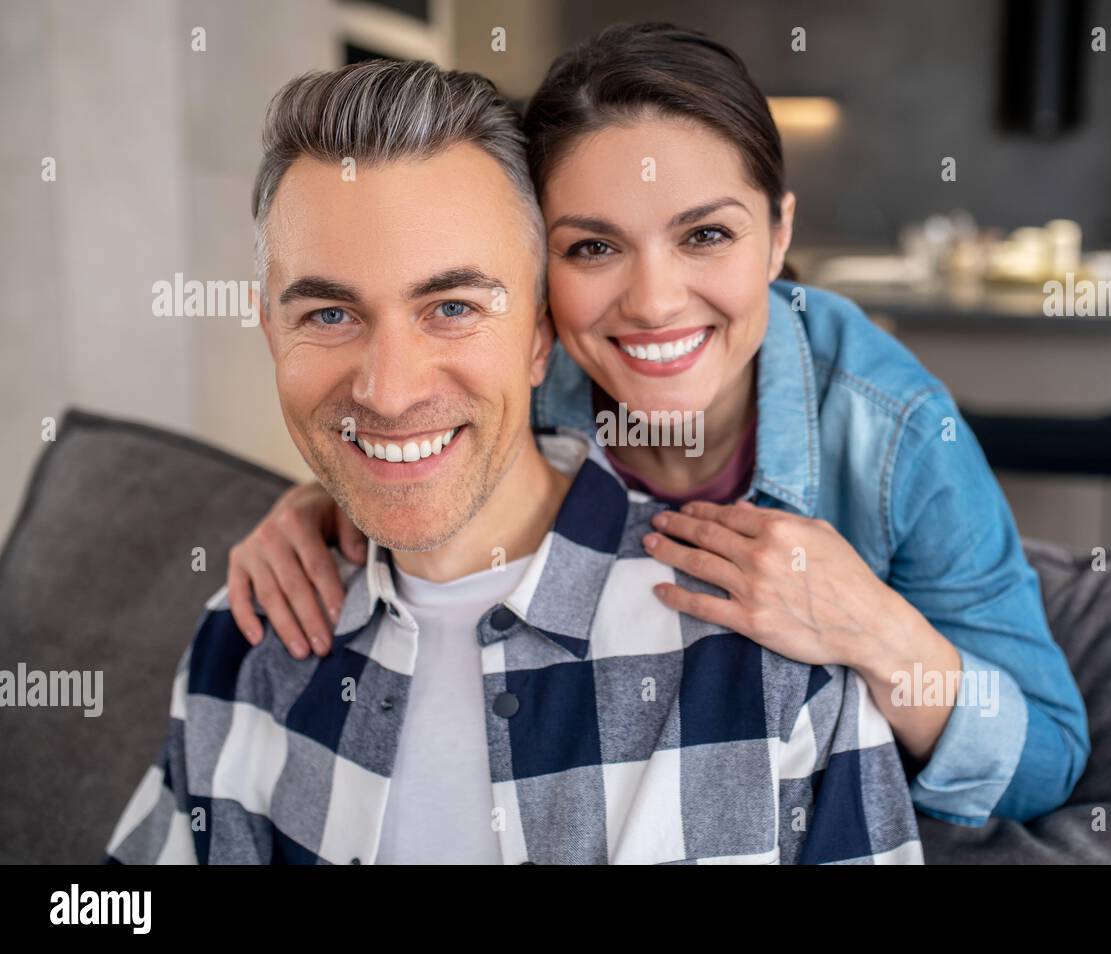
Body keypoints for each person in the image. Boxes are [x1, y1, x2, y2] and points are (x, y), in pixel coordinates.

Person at [225, 23, 1090, 827]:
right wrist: (331, 497)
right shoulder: (524, 364)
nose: (654, 302)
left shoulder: (893, 426)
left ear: (779, 233)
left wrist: (872, 628)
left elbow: (1045, 757)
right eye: (592, 248)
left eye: (707, 235)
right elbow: (402, 413)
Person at [105, 59, 922, 865]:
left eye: (453, 307)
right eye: (329, 313)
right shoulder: (243, 641)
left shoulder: (771, 642)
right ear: (271, 331)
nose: (388, 392)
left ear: (540, 334)